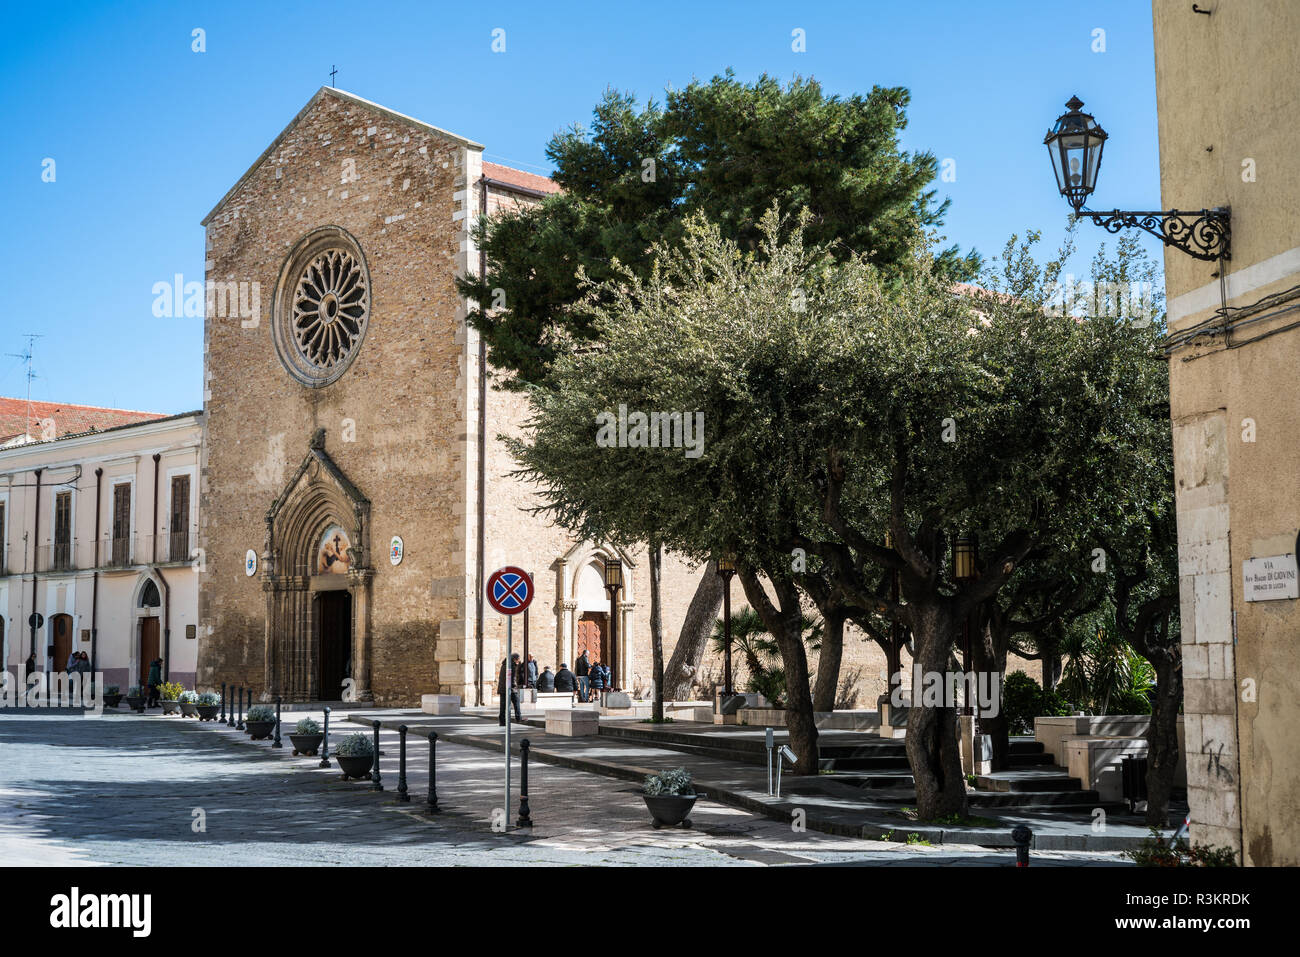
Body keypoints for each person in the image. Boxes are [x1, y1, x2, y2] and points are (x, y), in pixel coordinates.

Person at [498, 653, 523, 725]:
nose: (518, 661)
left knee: (503, 706)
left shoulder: (504, 664)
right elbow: (513, 678)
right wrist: (515, 686)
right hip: (510, 688)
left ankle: (502, 721)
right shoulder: (512, 665)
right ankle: (519, 718)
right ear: (515, 659)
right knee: (516, 702)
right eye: (518, 660)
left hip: (502, 688)